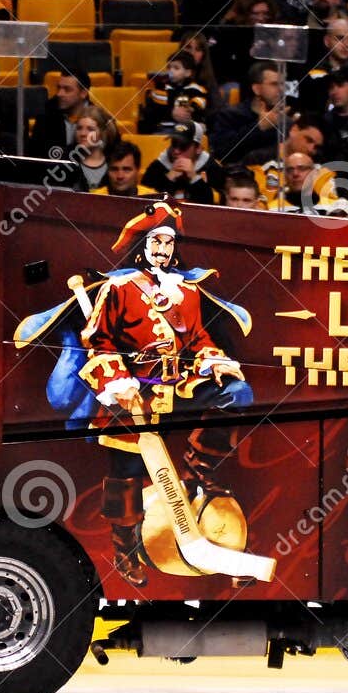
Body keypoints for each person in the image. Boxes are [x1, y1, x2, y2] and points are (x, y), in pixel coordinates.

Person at [71, 202, 253, 587]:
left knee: (236, 393)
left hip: (177, 385)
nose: (163, 249)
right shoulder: (118, 287)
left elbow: (200, 339)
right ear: (143, 244)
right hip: (132, 391)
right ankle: (125, 549)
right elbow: (98, 342)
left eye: (169, 242)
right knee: (126, 473)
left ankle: (198, 470)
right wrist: (117, 381)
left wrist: (213, 361)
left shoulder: (186, 290)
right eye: (157, 240)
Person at [208, 62, 290, 164]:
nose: (281, 89)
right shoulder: (229, 115)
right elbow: (221, 153)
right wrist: (258, 127)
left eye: (283, 84)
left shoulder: (286, 122)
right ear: (257, 89)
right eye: (274, 84)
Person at [143, 121, 225, 204]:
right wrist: (169, 179)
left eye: (183, 146)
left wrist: (194, 179)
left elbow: (215, 206)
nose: (176, 151)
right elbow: (145, 202)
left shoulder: (212, 168)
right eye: (174, 144)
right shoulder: (157, 167)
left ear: (198, 149)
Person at [140, 50, 210, 134]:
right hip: (165, 127)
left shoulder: (196, 88)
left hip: (188, 126)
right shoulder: (163, 88)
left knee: (198, 129)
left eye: (176, 68)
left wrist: (191, 108)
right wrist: (159, 85)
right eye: (169, 67)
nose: (171, 71)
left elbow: (200, 101)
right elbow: (157, 109)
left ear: (188, 73)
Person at [29, 68, 91, 157]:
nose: (59, 94)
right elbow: (36, 152)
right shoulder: (46, 113)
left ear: (83, 93)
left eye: (67, 89)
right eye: (59, 88)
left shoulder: (99, 119)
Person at [69, 107, 121, 187]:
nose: (83, 134)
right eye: (79, 128)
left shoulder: (116, 161)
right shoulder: (66, 160)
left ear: (103, 133)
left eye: (90, 129)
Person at [94, 141, 159, 196]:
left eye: (126, 169)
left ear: (137, 170)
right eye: (114, 169)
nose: (120, 176)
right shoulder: (93, 199)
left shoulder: (153, 199)